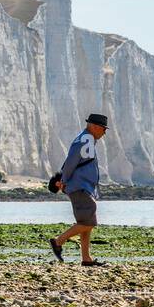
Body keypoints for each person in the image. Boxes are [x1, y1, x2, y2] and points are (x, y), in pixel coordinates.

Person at [50, 113, 108, 267]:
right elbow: (71, 161)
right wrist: (63, 180)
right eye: (103, 129)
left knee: (84, 222)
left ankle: (86, 258)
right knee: (89, 220)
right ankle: (58, 241)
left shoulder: (86, 139)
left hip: (83, 186)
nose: (104, 132)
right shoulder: (86, 139)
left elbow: (74, 160)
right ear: (95, 126)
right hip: (79, 186)